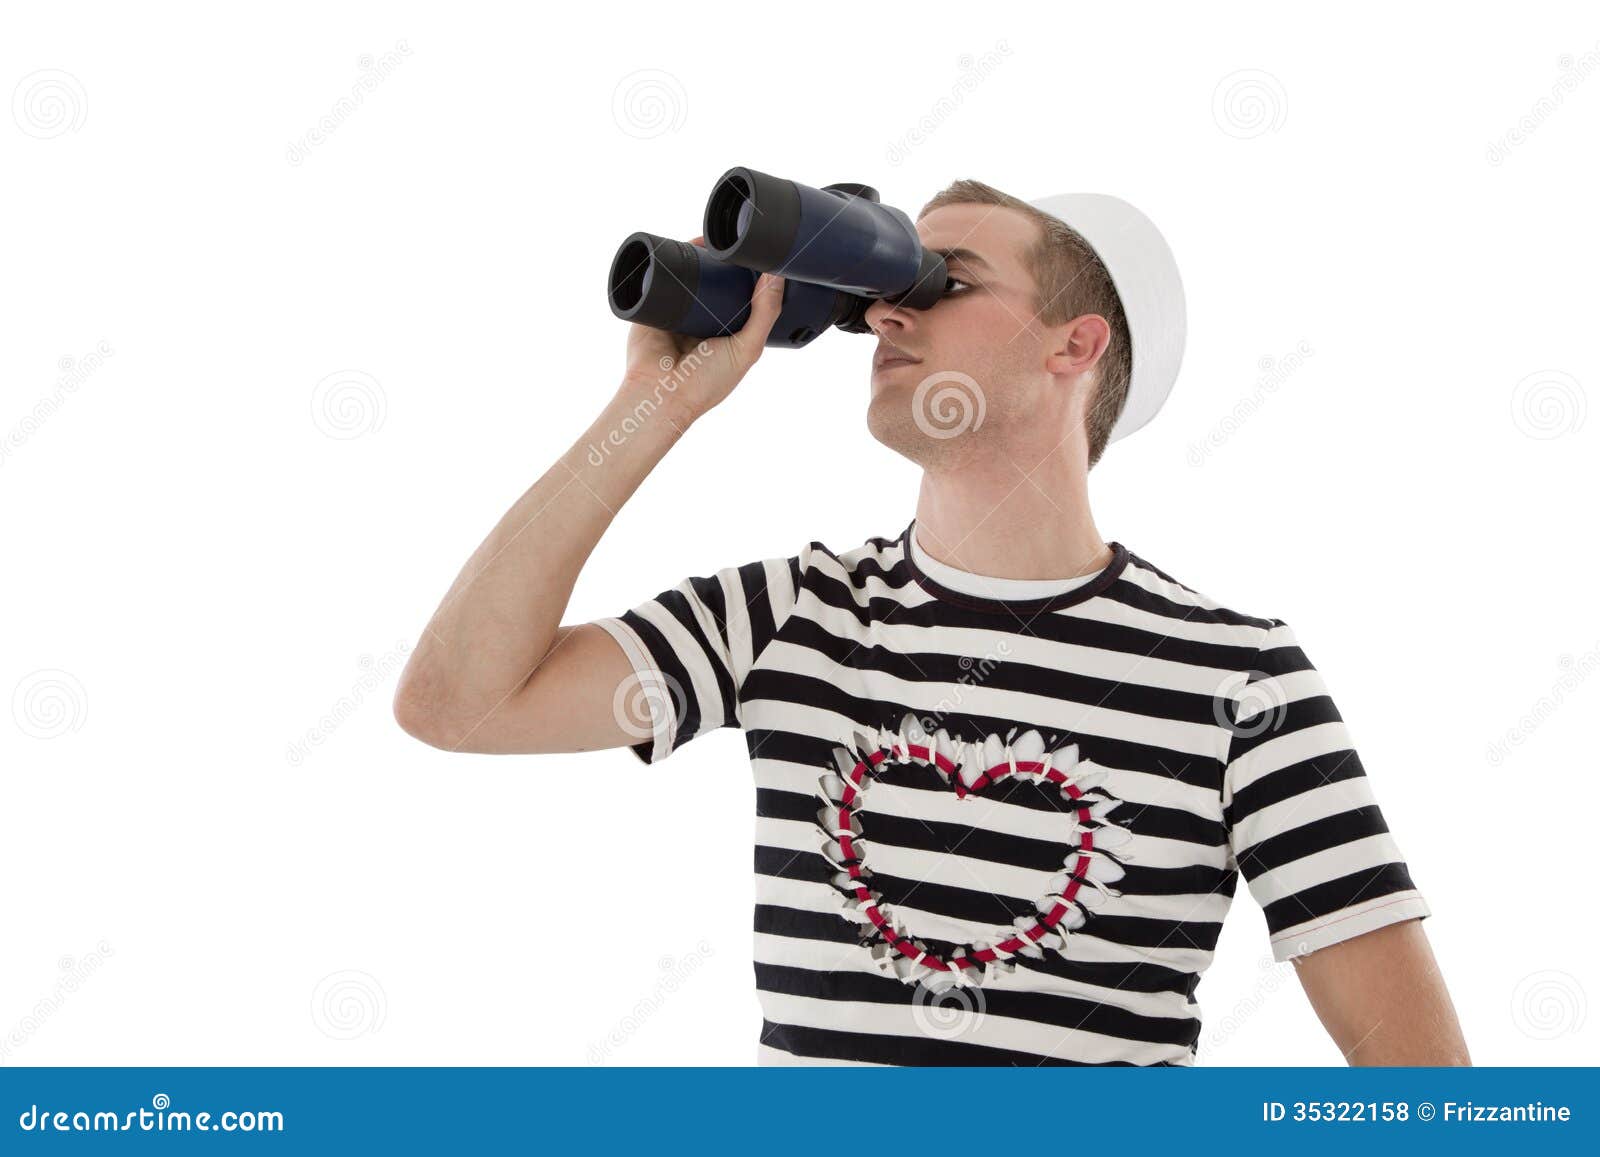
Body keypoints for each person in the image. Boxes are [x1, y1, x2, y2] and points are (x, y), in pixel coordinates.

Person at [393, 178, 1469, 1067]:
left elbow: (1423, 1093)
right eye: (878, 289)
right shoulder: (790, 618)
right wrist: (655, 402)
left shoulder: (1236, 676)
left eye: (938, 281)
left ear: (1073, 344)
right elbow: (458, 702)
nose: (882, 313)